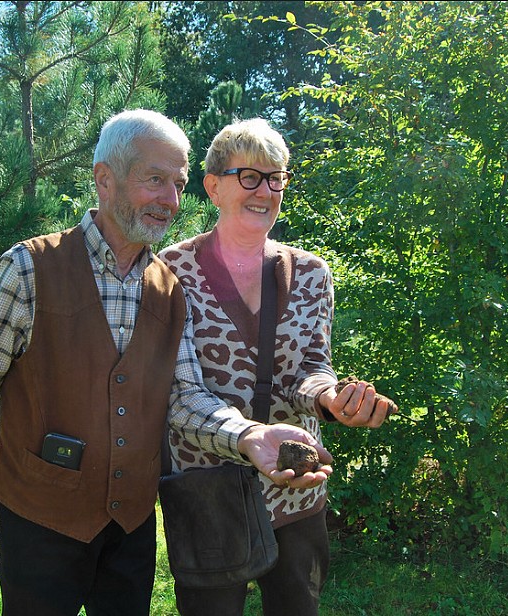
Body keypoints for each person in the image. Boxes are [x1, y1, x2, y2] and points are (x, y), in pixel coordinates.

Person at [0, 109, 332, 616]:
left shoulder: (168, 287)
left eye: (178, 184)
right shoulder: (28, 270)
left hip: (130, 530)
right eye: (155, 180)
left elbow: (186, 400)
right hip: (39, 521)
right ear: (105, 179)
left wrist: (249, 436)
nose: (170, 200)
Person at [159, 118, 396, 616]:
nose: (265, 190)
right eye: (250, 176)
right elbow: (179, 393)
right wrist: (247, 435)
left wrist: (330, 400)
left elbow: (311, 366)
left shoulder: (311, 273)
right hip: (210, 488)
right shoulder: (172, 270)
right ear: (213, 186)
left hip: (296, 486)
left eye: (276, 178)